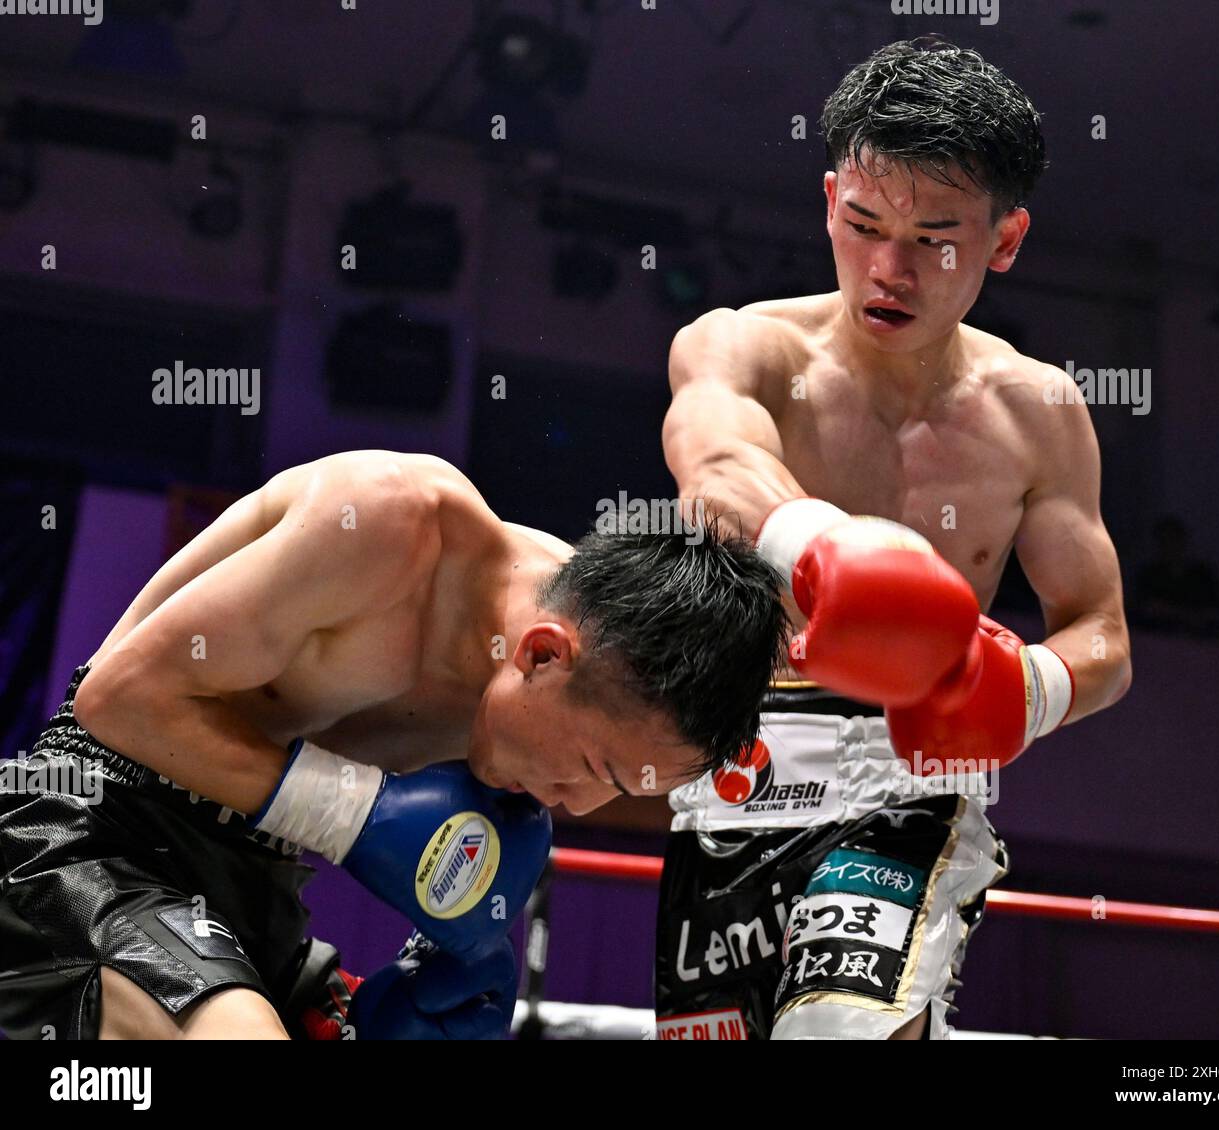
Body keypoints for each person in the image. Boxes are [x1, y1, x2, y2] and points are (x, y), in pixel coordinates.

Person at [655, 38, 1133, 1041]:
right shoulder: (742, 343)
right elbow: (716, 468)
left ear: (1003, 242)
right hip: (737, 781)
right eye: (863, 223)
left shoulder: (1037, 411)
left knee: (836, 1029)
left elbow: (1103, 636)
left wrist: (1025, 687)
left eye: (934, 238)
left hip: (909, 786)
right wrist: (822, 550)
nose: (888, 268)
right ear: (829, 198)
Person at [0, 449, 789, 1039]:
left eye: (623, 787)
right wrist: (349, 813)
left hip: (251, 891)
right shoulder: (384, 529)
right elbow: (116, 701)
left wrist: (434, 977)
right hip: (89, 835)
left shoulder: (549, 707)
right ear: (543, 654)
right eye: (594, 766)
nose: (581, 803)